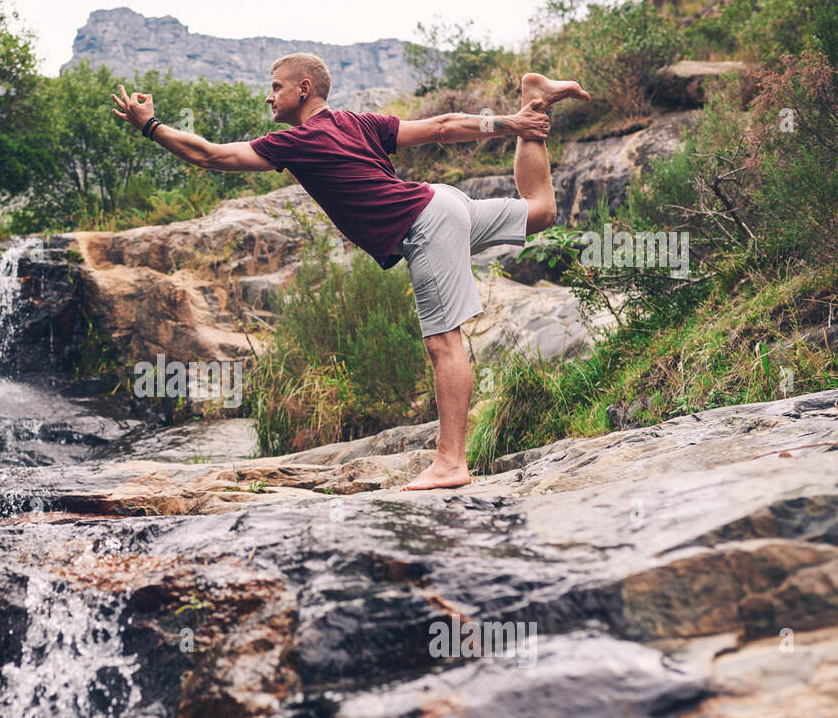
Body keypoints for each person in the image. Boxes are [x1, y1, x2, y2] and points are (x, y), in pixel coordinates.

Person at [111, 52, 590, 490]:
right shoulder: (359, 123)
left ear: (303, 88)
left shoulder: (297, 141)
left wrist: (149, 124)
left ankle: (451, 463)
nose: (268, 94)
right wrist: (515, 120)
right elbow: (443, 126)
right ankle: (536, 98)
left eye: (275, 86)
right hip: (442, 203)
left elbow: (209, 155)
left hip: (423, 223)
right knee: (540, 209)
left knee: (444, 341)